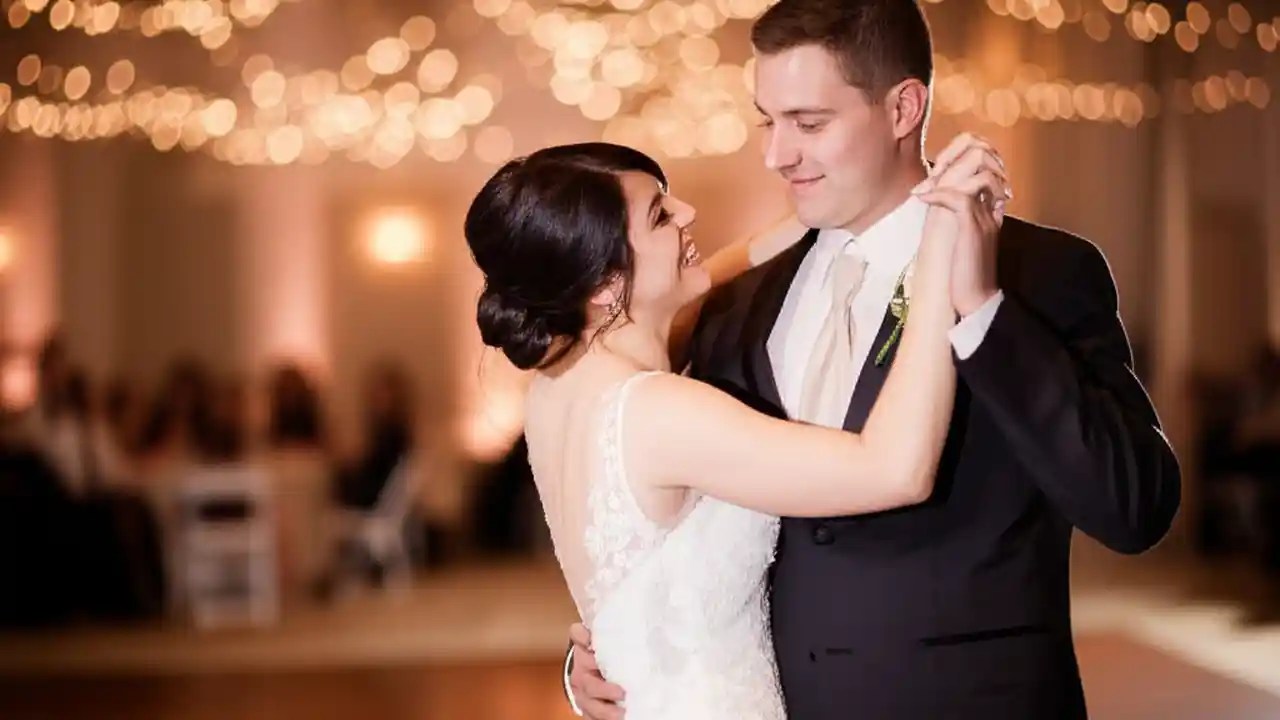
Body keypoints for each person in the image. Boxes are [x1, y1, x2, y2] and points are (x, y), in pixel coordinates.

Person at [567, 1, 1181, 718]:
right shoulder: (735, 305)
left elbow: (1134, 508)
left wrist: (982, 309)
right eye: (770, 120)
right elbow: (665, 522)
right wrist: (605, 656)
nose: (776, 154)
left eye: (810, 123)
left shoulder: (1043, 273)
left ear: (903, 109)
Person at [465, 133, 1008, 719]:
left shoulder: (556, 383)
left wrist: (841, 197)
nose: (687, 214)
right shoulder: (659, 413)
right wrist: (938, 256)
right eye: (659, 215)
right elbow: (896, 470)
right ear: (605, 284)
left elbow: (731, 261)